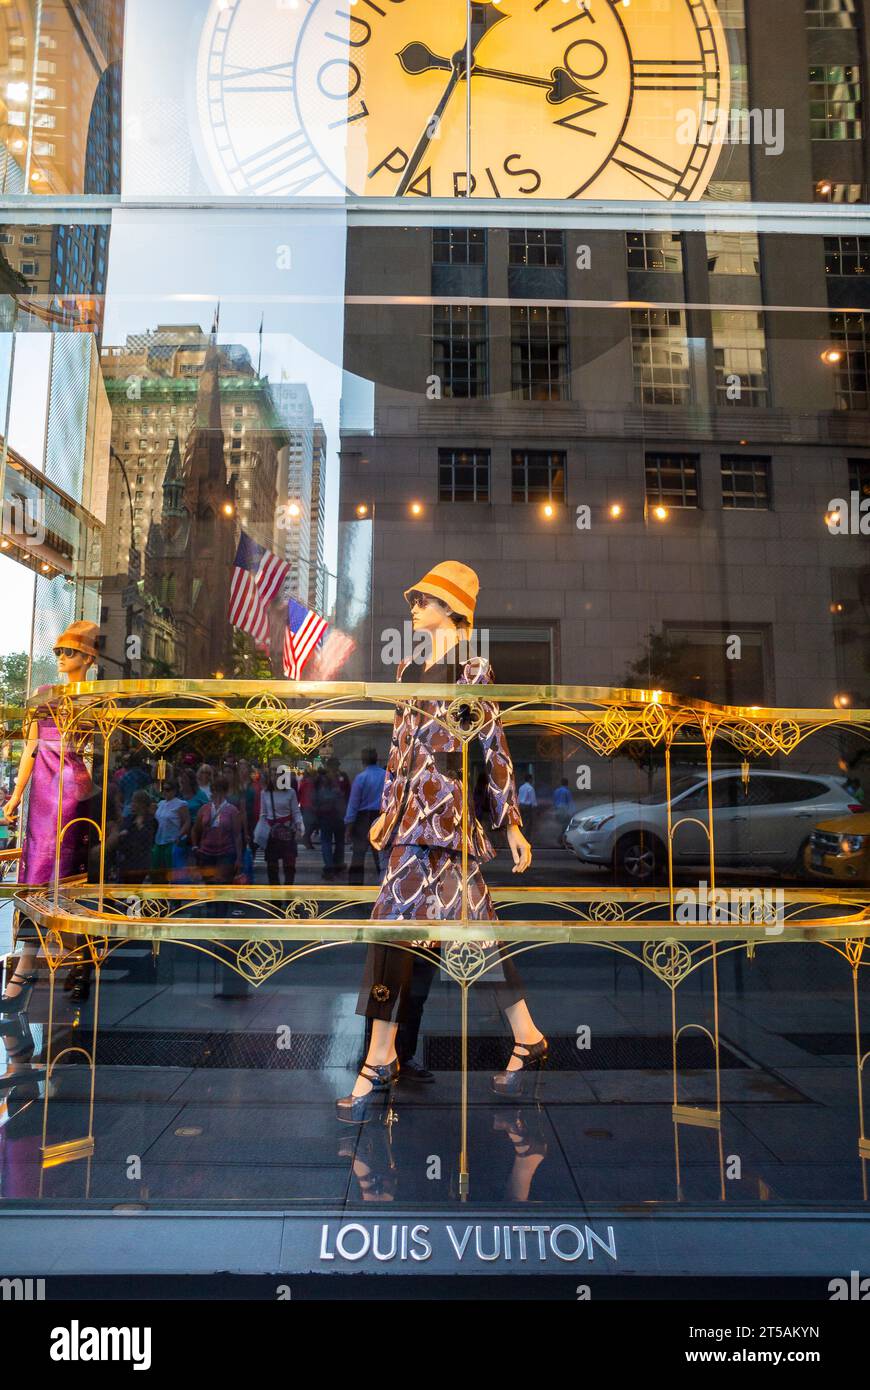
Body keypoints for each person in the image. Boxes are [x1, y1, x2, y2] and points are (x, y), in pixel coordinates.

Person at [337, 561, 547, 1122]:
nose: (414, 603)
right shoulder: (407, 670)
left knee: (448, 935)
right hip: (412, 827)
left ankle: (381, 1058)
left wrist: (511, 823)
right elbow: (400, 751)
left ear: (451, 608)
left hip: (448, 825)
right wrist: (387, 810)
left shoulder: (473, 669)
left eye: (425, 597)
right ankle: (522, 1037)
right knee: (426, 933)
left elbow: (493, 747)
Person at [1, 622, 98, 1016]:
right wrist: (17, 797)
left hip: (73, 793)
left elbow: (94, 751)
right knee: (37, 877)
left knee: (65, 878)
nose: (61, 659)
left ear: (89, 658)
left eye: (70, 652)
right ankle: (48, 965)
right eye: (59, 652)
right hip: (42, 795)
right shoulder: (44, 695)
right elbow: (29, 749)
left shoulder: (93, 698)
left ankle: (51, 967)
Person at [254, 763, 305, 885]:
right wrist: (259, 832)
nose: (275, 778)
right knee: (272, 869)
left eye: (278, 775)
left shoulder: (290, 792)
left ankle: (288, 896)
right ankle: (275, 899)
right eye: (272, 775)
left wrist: (299, 826)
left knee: (289, 868)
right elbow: (263, 814)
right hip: (272, 834)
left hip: (288, 832)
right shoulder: (265, 793)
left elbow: (296, 811)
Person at [191, 775, 242, 886]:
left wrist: (239, 858)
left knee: (224, 886)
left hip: (226, 853)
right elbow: (195, 830)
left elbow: (237, 835)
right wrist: (195, 847)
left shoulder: (232, 810)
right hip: (206, 853)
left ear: (225, 792)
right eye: (214, 790)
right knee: (210, 887)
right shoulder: (204, 808)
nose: (216, 794)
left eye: (219, 791)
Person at [345, 749, 387, 885]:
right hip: (381, 817)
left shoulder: (361, 778)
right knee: (380, 856)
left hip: (363, 818)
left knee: (358, 855)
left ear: (363, 761)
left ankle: (355, 887)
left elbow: (353, 804)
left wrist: (349, 825)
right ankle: (384, 885)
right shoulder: (386, 776)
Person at [151, 778, 190, 884]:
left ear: (174, 791)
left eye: (168, 789)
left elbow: (187, 821)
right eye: (163, 789)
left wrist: (179, 835)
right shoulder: (160, 804)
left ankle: (173, 898)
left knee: (172, 873)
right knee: (157, 872)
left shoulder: (181, 804)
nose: (165, 792)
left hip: (171, 841)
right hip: (159, 841)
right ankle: (159, 898)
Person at [316, 757, 348, 881]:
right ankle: (337, 865)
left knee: (326, 842)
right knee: (339, 842)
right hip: (339, 814)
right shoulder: (342, 776)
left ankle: (329, 867)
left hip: (325, 814)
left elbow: (316, 796)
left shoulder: (322, 778)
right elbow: (348, 794)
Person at [116, 789, 156, 885]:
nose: (131, 804)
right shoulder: (129, 818)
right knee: (119, 887)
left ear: (141, 804)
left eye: (134, 801)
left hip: (140, 862)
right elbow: (121, 835)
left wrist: (139, 827)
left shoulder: (151, 820)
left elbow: (147, 839)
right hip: (126, 860)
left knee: (134, 891)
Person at [297, 767, 317, 848]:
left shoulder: (305, 782)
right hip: (309, 806)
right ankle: (306, 839)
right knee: (312, 824)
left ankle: (307, 841)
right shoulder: (310, 783)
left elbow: (299, 793)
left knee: (310, 824)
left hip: (305, 806)